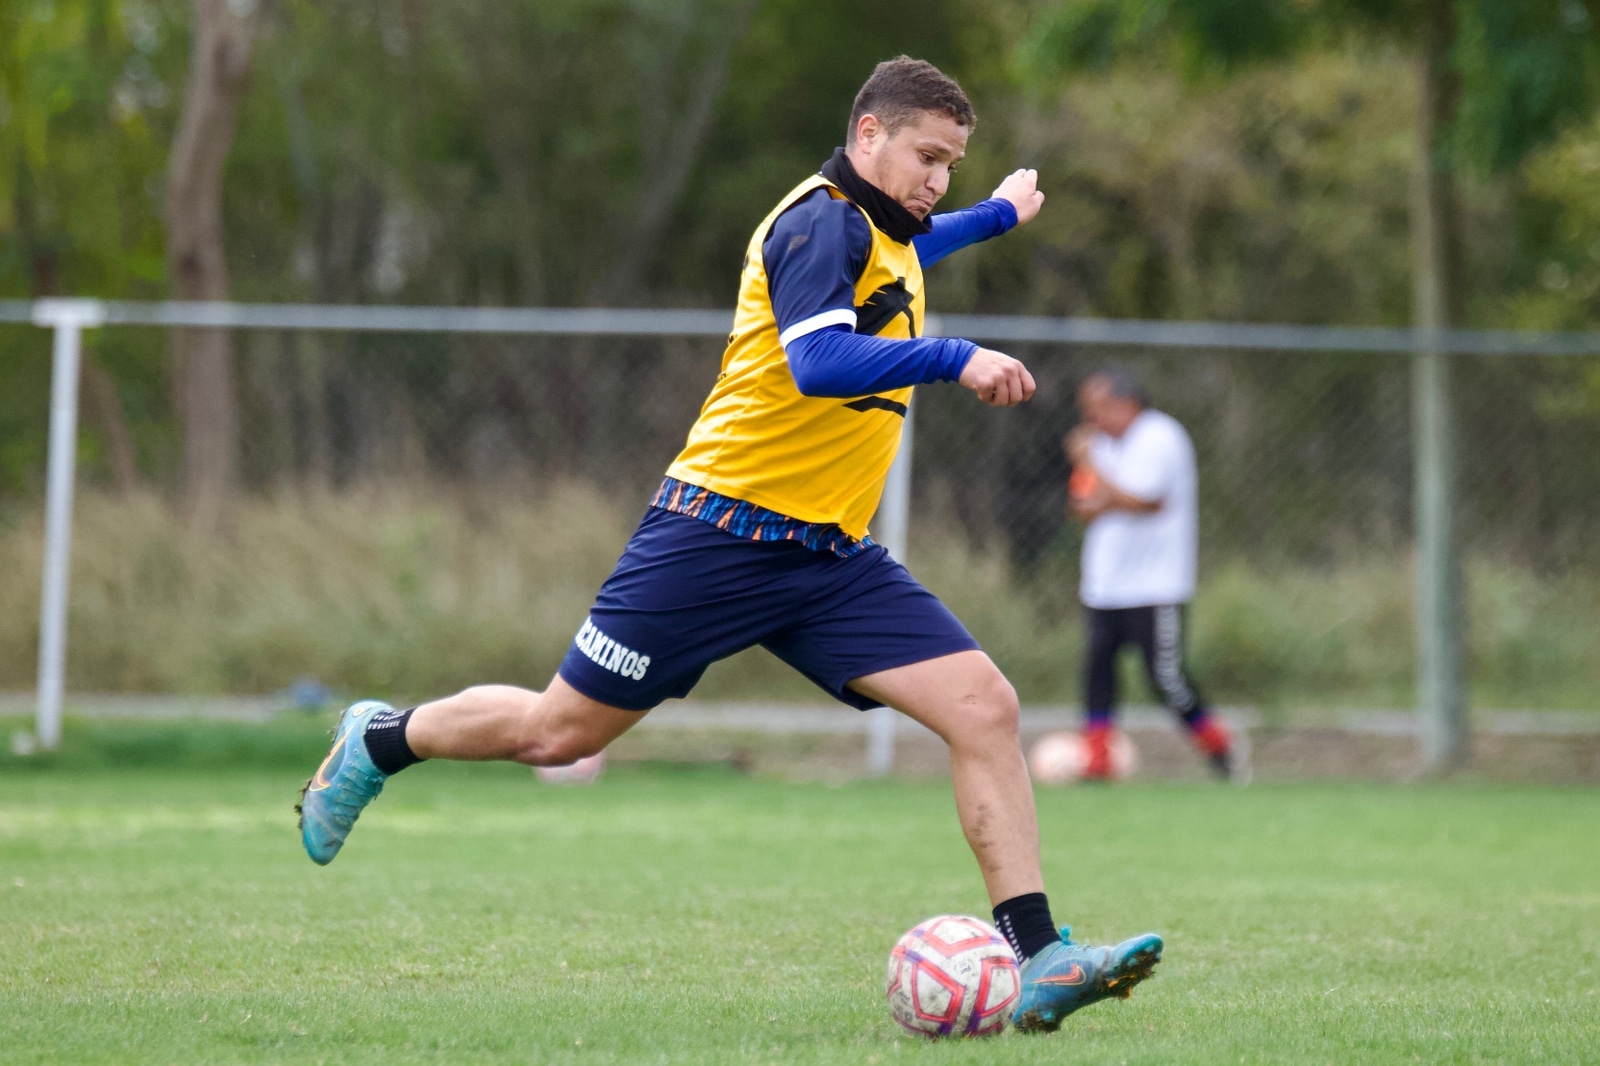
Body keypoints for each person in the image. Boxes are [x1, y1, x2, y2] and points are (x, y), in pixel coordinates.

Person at [298, 57, 1162, 1033]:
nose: (938, 181)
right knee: (558, 732)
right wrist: (957, 357)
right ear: (868, 133)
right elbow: (819, 360)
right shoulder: (818, 222)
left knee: (985, 706)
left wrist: (997, 216)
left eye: (952, 165)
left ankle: (1038, 954)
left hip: (829, 560)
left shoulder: (883, 227)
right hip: (715, 535)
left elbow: (925, 245)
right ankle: (377, 736)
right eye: (927, 156)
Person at [1065, 368, 1248, 783]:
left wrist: (1096, 475)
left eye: (1097, 408)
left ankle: (1219, 745)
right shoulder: (1100, 445)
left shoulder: (1160, 436)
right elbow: (1082, 505)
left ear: (1126, 404)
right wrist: (1099, 487)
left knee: (1165, 678)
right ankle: (1097, 760)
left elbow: (1145, 501)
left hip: (1156, 584)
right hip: (1104, 582)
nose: (1089, 418)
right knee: (1097, 672)